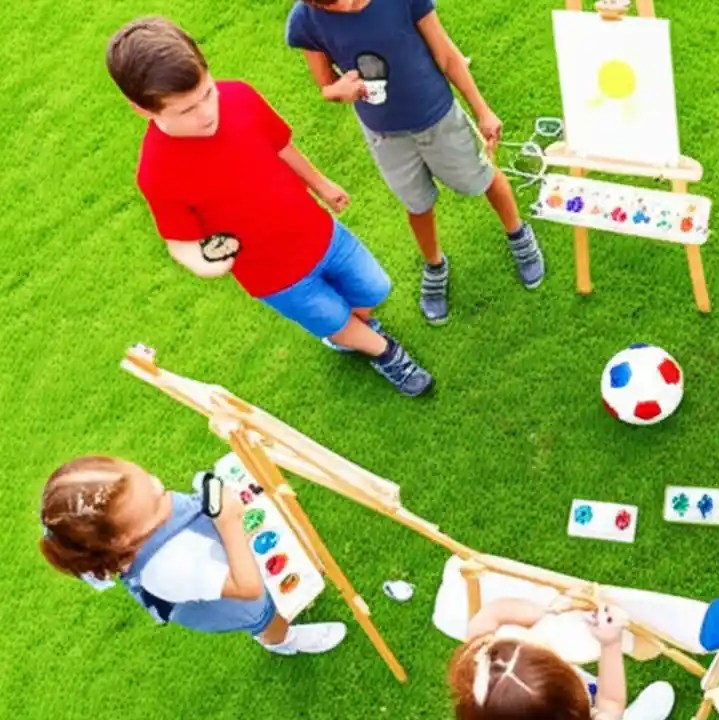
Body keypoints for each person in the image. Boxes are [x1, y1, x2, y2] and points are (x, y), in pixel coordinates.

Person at [109, 17, 432, 396]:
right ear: (143, 110)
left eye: (207, 93)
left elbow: (280, 146)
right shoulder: (157, 173)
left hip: (321, 235)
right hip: (276, 279)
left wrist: (321, 184)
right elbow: (178, 240)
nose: (207, 113)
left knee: (375, 289)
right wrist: (205, 263)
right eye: (186, 111)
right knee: (334, 320)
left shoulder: (240, 98)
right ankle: (384, 351)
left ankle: (352, 332)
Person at [286, 0, 545, 327]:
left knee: (481, 178)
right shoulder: (306, 19)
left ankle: (517, 232)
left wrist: (483, 110)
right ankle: (435, 264)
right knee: (417, 203)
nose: (329, 7)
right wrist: (338, 91)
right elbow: (325, 84)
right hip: (384, 136)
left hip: (439, 119)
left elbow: (446, 54)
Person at [38, 456, 347, 655]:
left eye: (149, 480)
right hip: (230, 597)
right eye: (157, 501)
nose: (162, 487)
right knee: (265, 617)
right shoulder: (168, 568)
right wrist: (228, 522)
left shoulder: (142, 526)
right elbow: (247, 588)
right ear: (125, 539)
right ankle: (281, 641)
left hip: (211, 565)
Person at [448, 597, 676, 719]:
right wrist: (611, 643)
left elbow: (493, 612)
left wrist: (548, 614)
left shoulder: (480, 655)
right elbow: (610, 704)